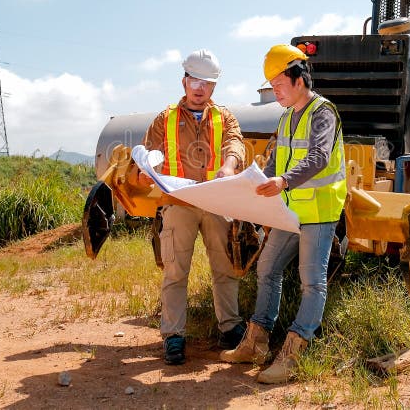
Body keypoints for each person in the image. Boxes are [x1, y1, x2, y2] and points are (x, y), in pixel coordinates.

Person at [220, 44, 347, 384]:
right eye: (271, 86)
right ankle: (256, 343)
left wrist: (282, 181)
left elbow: (319, 157)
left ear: (299, 79)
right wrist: (255, 185)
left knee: (312, 281)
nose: (274, 92)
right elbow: (276, 159)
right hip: (289, 210)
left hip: (319, 211)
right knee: (267, 268)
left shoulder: (323, 112)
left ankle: (293, 353)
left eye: (279, 85)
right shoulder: (287, 116)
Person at [139, 49, 247, 365]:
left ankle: (230, 328)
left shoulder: (224, 117)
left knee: (225, 267)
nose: (200, 88)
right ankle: (174, 337)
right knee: (175, 271)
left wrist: (229, 166)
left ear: (214, 87)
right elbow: (149, 156)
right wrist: (146, 172)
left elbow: (234, 144)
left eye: (207, 83)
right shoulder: (165, 119)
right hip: (178, 203)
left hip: (215, 201)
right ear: (184, 80)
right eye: (195, 80)